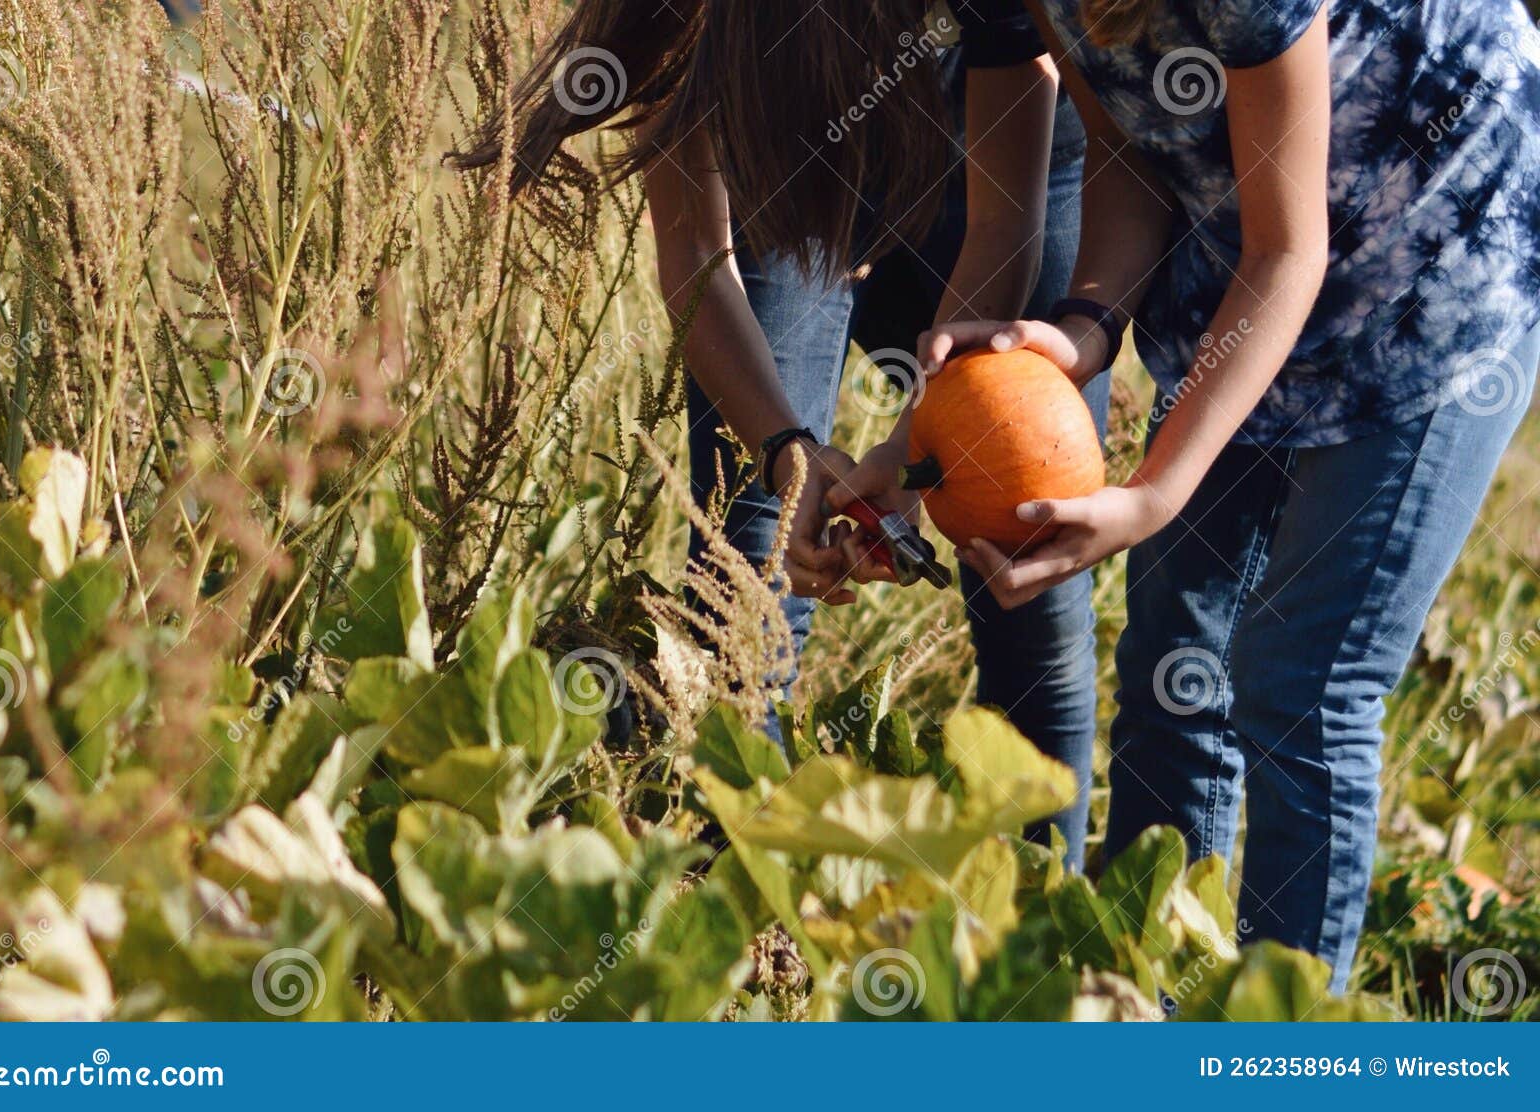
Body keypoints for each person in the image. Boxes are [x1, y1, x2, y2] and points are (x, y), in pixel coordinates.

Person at [842, 0, 1540, 990]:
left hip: (1433, 254)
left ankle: (1280, 1048)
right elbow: (1126, 160)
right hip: (1236, 261)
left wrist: (1156, 491)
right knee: (1175, 664)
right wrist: (1077, 331)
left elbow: (1289, 252)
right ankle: (1140, 1010)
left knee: (1302, 681)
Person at [448, 1, 1105, 863]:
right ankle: (749, 923)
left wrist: (919, 453)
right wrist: (785, 451)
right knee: (753, 572)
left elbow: (1000, 224)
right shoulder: (698, 22)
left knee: (1029, 570)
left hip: (992, 178)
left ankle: (1040, 934)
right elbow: (695, 264)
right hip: (796, 170)